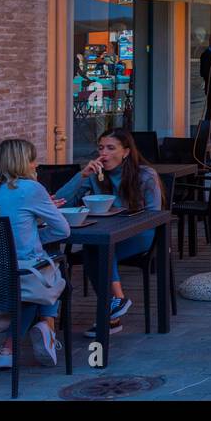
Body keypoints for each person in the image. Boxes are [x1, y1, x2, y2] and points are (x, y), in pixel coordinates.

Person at [0, 138, 71, 369]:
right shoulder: (31, 189)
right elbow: (62, 230)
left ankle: (41, 332)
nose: (36, 165)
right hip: (21, 275)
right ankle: (25, 337)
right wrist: (38, 229)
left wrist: (32, 220)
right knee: (47, 274)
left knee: (38, 271)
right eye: (33, 160)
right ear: (22, 162)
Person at [54, 128, 162, 337]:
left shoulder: (145, 175)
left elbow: (154, 216)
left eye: (111, 148)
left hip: (141, 234)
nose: (104, 153)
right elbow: (59, 203)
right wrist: (81, 175)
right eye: (101, 148)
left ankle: (112, 312)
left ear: (126, 152)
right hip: (106, 235)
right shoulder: (94, 175)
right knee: (95, 249)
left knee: (99, 250)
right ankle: (115, 306)